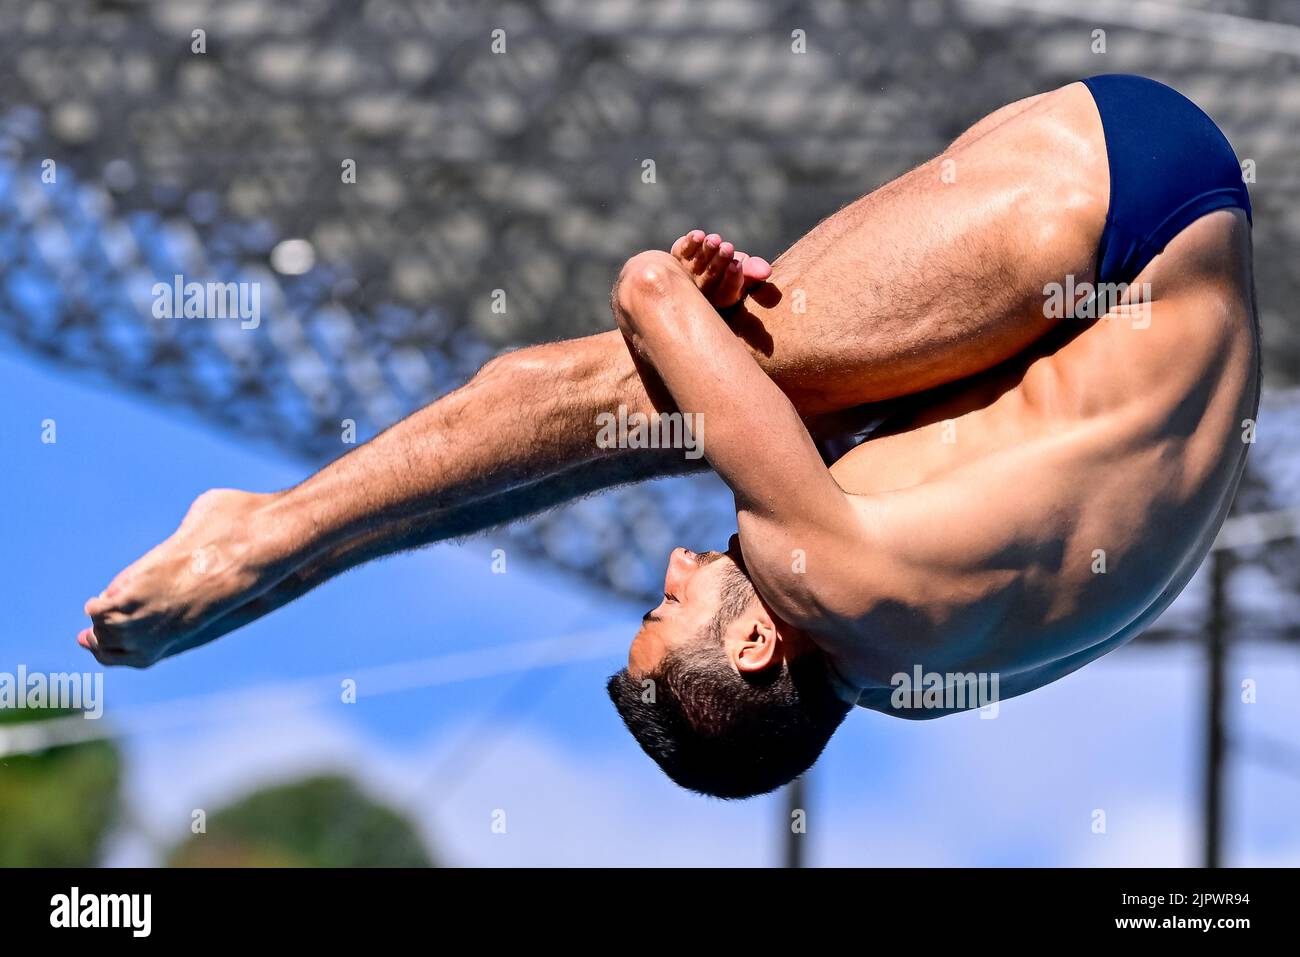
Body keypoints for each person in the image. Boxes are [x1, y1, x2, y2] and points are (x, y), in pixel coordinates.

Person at [79, 75, 1258, 799]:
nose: (677, 567)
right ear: (753, 654)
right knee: (620, 394)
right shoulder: (822, 571)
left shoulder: (910, 682)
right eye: (668, 609)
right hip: (1105, 209)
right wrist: (694, 310)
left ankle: (308, 548)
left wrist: (806, 351)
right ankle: (265, 539)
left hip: (1163, 260)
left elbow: (976, 457)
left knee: (717, 404)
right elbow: (644, 292)